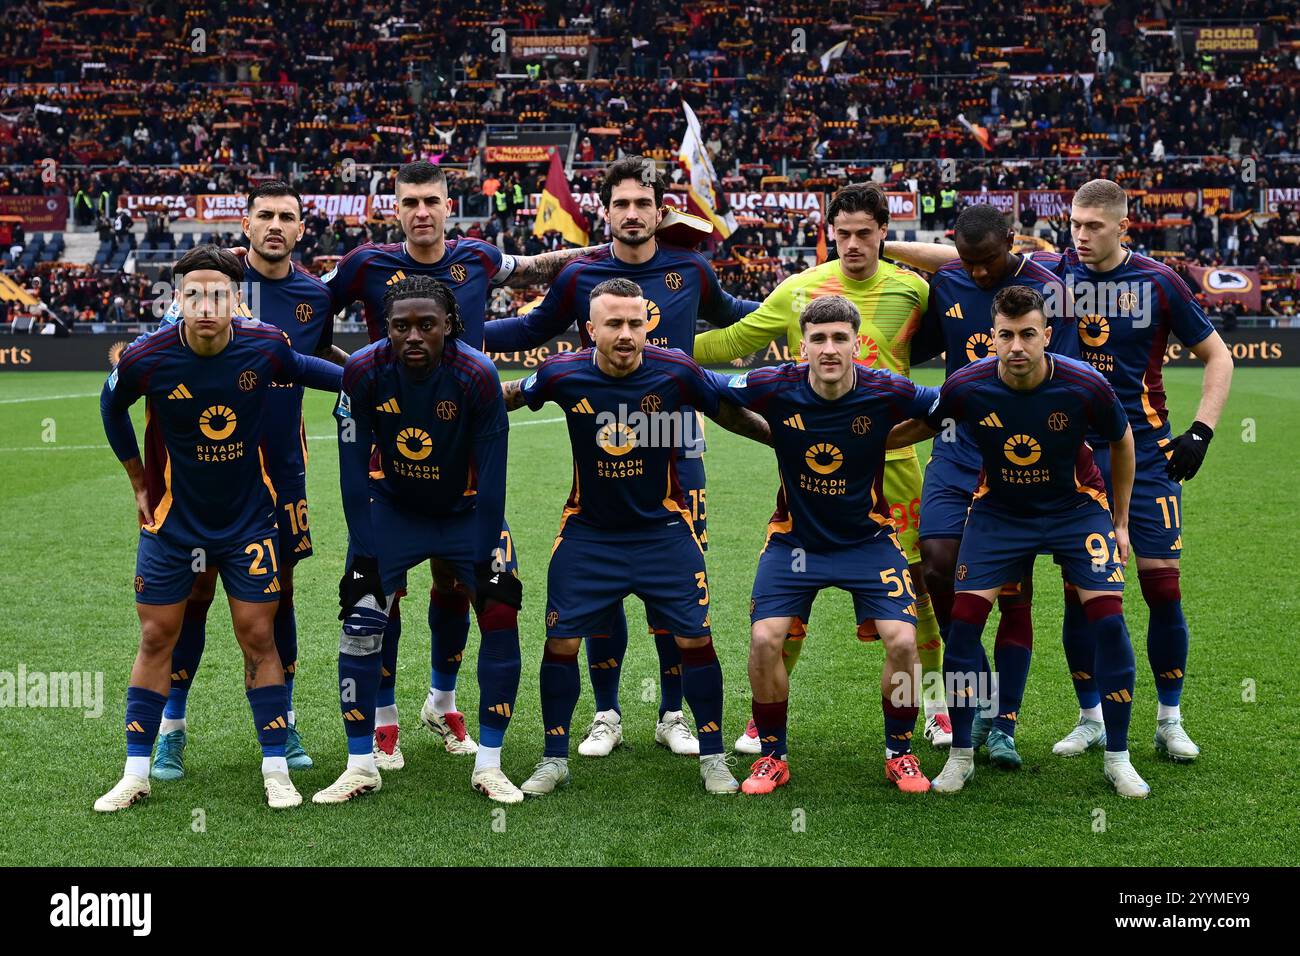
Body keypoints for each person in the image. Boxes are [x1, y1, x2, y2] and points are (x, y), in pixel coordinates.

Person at [318, 160, 596, 769]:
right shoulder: (367, 264)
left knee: (456, 579)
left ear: (449, 206)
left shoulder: (479, 258)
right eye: (410, 201)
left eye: (432, 201)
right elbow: (311, 314)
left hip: (467, 455)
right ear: (396, 208)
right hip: (392, 453)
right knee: (378, 595)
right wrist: (353, 377)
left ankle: (442, 702)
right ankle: (383, 719)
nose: (421, 211)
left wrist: (605, 247)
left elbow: (540, 271)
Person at [484, 156, 760, 759]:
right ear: (604, 211)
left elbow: (743, 316)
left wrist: (803, 305)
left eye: (643, 204)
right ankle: (606, 713)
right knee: (603, 583)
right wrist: (462, 332)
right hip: (605, 440)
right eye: (621, 204)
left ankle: (670, 714)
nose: (632, 215)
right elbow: (531, 330)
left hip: (678, 445)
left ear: (660, 211)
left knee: (675, 588)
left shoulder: (691, 268)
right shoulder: (581, 275)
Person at [687, 182, 949, 755]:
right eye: (843, 233)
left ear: (885, 231)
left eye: (865, 233)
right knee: (790, 595)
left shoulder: (914, 289)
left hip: (895, 465)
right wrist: (663, 347)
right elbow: (735, 339)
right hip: (812, 462)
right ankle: (765, 722)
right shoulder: (801, 289)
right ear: (830, 233)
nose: (853, 244)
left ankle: (935, 705)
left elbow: (955, 327)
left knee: (921, 587)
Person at [94, 245, 343, 812]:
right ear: (178, 300)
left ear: (237, 300)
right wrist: (137, 478)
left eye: (218, 294)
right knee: (158, 636)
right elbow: (111, 408)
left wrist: (381, 378)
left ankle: (276, 768)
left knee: (259, 635)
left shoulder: (265, 346)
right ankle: (136, 772)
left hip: (248, 522)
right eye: (194, 294)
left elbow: (316, 371)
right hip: (172, 525)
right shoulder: (146, 358)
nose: (206, 305)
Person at [500, 278, 770, 796]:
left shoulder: (677, 371)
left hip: (663, 531)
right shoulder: (561, 374)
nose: (627, 334)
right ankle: (554, 757)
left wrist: (785, 438)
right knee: (560, 642)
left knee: (695, 638)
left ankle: (713, 756)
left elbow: (730, 409)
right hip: (588, 534)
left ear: (648, 325)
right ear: (590, 330)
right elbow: (508, 397)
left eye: (635, 323)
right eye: (614, 324)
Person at [890, 284, 1149, 798]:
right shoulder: (967, 386)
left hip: (1077, 510)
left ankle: (1118, 757)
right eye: (1006, 336)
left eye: (1028, 335)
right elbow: (918, 426)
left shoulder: (1083, 384)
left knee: (1110, 623)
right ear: (991, 337)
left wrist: (1120, 524)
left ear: (1046, 336)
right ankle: (961, 755)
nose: (1016, 347)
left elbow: (1122, 441)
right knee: (963, 627)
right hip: (1000, 513)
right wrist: (857, 438)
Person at [149, 182, 343, 782]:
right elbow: (146, 359)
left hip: (282, 470)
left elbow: (321, 361)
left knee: (276, 595)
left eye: (288, 215)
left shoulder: (314, 295)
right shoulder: (208, 290)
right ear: (247, 226)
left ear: (302, 227)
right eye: (266, 216)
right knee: (195, 595)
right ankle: (170, 730)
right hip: (206, 475)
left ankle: (279, 726)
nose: (276, 225)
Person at [718, 295, 940, 795]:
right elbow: (712, 393)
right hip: (794, 541)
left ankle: (900, 752)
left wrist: (886, 439)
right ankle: (772, 756)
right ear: (802, 346)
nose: (829, 347)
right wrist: (771, 435)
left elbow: (942, 408)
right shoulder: (776, 385)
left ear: (857, 344)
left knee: (904, 641)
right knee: (764, 639)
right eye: (818, 338)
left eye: (840, 337)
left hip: (867, 540)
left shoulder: (885, 389)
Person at [315, 275, 524, 805]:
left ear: (448, 326)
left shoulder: (476, 374)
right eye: (400, 326)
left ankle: (491, 764)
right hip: (391, 512)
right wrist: (362, 546)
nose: (413, 336)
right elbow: (351, 468)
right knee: (361, 619)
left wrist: (482, 555)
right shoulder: (363, 370)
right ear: (385, 329)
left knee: (500, 611)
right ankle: (361, 763)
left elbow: (495, 476)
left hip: (470, 512)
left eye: (426, 325)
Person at [907, 203, 1078, 769]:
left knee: (1014, 592)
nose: (978, 273)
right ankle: (980, 693)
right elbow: (918, 346)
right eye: (968, 261)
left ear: (1013, 240)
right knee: (935, 564)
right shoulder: (948, 280)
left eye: (988, 261)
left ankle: (1002, 723)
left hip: (1019, 455)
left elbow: (1065, 374)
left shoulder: (1049, 289)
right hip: (957, 446)